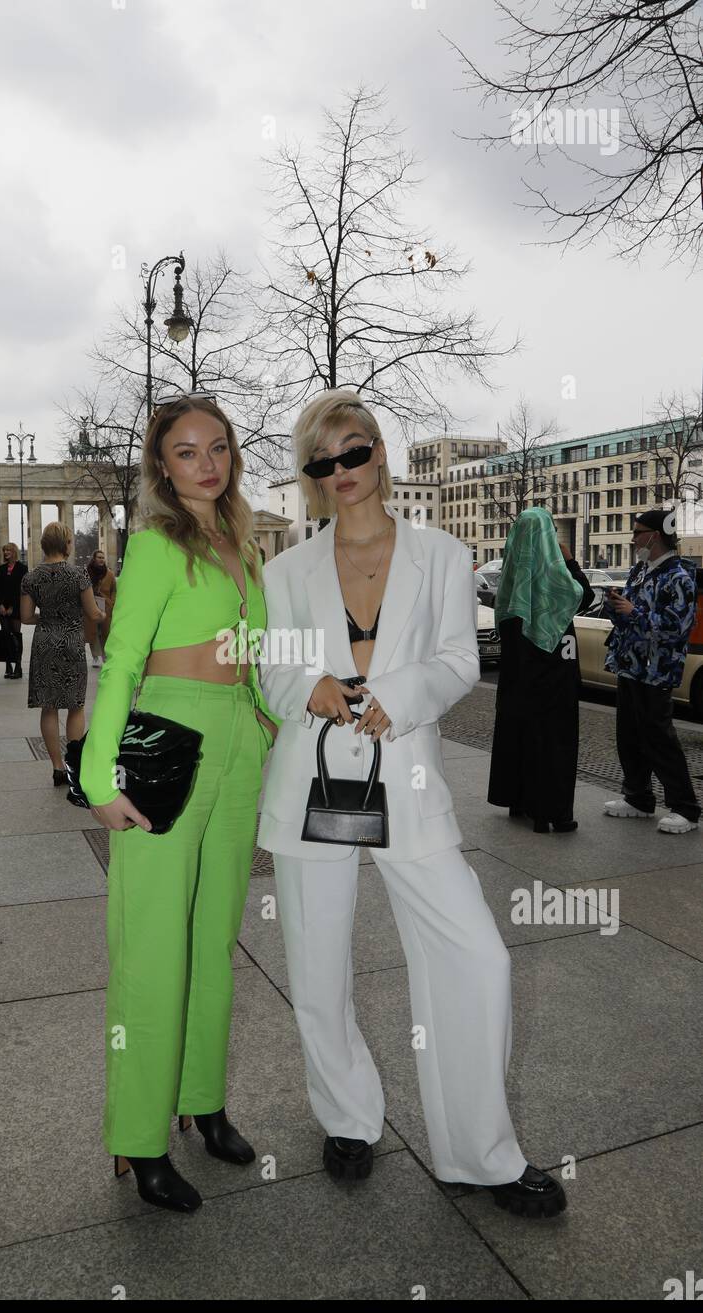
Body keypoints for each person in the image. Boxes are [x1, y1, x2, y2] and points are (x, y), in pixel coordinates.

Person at [256, 388, 566, 1218]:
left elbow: (461, 658)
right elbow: (272, 670)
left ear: (381, 451)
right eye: (323, 461)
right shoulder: (283, 569)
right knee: (317, 971)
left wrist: (395, 690)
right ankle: (348, 1116)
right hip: (312, 780)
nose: (342, 471)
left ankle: (481, 1153)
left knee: (478, 957)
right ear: (311, 475)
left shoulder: (442, 556)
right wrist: (311, 687)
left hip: (410, 778)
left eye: (354, 451)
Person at [79, 395, 279, 1214]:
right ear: (163, 465)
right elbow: (122, 661)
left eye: (218, 448)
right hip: (167, 738)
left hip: (237, 741)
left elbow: (255, 643)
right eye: (187, 451)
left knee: (213, 937)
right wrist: (98, 776)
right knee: (154, 945)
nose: (207, 462)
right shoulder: (157, 546)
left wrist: (261, 715)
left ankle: (202, 1099)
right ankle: (139, 1136)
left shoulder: (246, 544)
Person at [487, 510, 594, 832]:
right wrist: (571, 561)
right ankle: (554, 813)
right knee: (554, 745)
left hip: (517, 678)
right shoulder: (556, 578)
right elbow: (585, 596)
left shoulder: (511, 579)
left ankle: (520, 801)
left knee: (521, 738)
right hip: (554, 678)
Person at [603, 508, 700, 833]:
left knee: (659, 738)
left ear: (654, 535)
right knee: (628, 736)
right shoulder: (642, 570)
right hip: (631, 666)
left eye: (637, 532)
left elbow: (676, 627)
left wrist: (633, 612)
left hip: (657, 670)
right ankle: (638, 798)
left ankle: (685, 807)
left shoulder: (679, 577)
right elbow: (630, 614)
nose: (632, 539)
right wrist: (617, 607)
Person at [20, 523, 99, 784]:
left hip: (44, 643)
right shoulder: (78, 575)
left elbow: (26, 616)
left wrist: (48, 616)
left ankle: (56, 767)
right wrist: (108, 614)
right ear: (66, 544)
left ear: (44, 544)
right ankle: (74, 766)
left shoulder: (31, 577)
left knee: (49, 707)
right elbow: (92, 613)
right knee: (76, 706)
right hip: (72, 643)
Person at [0, 542, 28, 679]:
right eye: (4, 550)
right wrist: (0, 605)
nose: (6, 552)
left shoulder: (22, 568)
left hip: (16, 607)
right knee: (5, 636)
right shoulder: (1, 568)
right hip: (2, 608)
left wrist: (13, 607)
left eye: (8, 550)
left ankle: (18, 667)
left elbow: (22, 590)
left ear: (14, 551)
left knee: (16, 636)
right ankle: (8, 665)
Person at [86, 548, 117, 666]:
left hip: (106, 606)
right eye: (99, 557)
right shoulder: (87, 572)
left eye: (103, 558)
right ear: (94, 559)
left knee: (105, 632)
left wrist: (112, 602)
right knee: (93, 632)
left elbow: (114, 590)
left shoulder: (109, 574)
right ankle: (95, 656)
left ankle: (105, 655)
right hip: (91, 605)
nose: (101, 560)